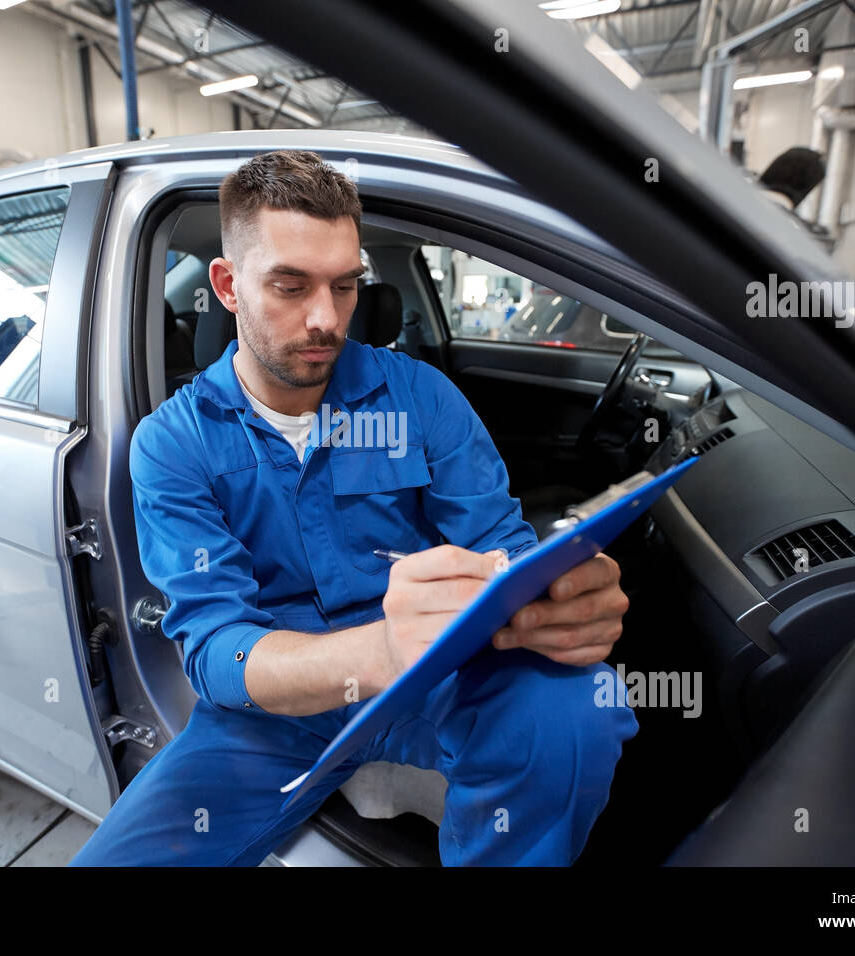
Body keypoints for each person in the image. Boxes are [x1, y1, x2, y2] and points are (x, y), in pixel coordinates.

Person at [69, 149, 637, 867]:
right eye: (291, 285)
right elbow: (215, 650)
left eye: (344, 287)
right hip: (271, 713)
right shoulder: (172, 444)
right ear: (227, 285)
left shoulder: (422, 397)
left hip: (438, 678)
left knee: (575, 706)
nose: (325, 319)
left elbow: (501, 548)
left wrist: (558, 597)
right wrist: (380, 650)